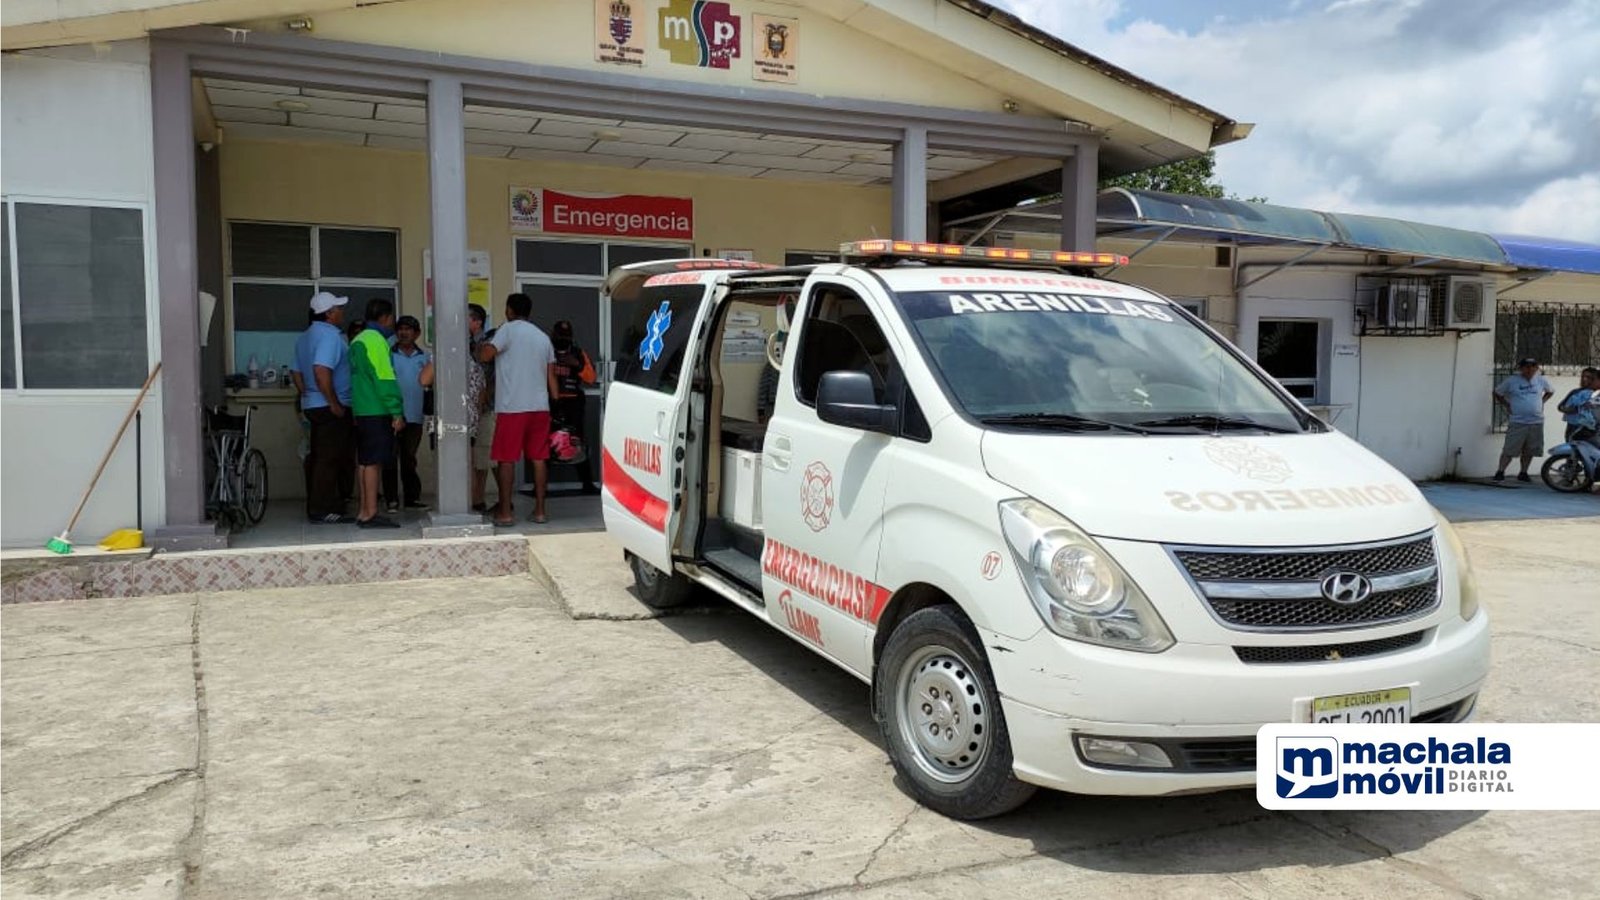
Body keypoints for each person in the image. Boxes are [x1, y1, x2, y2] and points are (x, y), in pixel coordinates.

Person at [479, 293, 559, 526]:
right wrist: (555, 403)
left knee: (506, 459)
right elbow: (551, 377)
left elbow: (486, 355)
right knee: (539, 458)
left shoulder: (507, 330)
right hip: (540, 407)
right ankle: (540, 511)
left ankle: (505, 513)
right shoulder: (543, 337)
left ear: (509, 310)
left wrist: (482, 343)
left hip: (512, 407)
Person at [293, 291, 356, 524]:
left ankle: (320, 504)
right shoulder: (329, 337)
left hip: (312, 405)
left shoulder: (305, 337)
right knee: (330, 459)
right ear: (329, 314)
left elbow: (296, 372)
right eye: (338, 308)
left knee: (318, 456)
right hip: (329, 407)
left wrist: (307, 394)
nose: (342, 312)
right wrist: (333, 403)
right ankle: (323, 509)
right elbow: (321, 370)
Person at [349, 298, 406, 528]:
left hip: (361, 409)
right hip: (377, 410)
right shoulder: (376, 341)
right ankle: (372, 512)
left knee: (364, 462)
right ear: (384, 317)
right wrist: (396, 411)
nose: (392, 323)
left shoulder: (357, 340)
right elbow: (384, 379)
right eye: (391, 318)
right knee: (373, 463)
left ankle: (364, 511)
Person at [383, 315, 432, 513]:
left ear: (417, 333)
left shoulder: (425, 357)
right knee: (390, 458)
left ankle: (412, 498)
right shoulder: (388, 354)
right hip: (392, 415)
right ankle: (391, 500)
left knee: (409, 459)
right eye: (400, 329)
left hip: (415, 415)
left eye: (408, 329)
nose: (404, 333)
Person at [550, 319, 598, 494]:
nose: (563, 338)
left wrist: (576, 365)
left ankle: (587, 484)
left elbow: (591, 378)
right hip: (552, 402)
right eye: (560, 335)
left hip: (573, 403)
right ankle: (540, 486)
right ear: (553, 335)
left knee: (577, 442)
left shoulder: (578, 352)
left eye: (566, 336)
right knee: (548, 442)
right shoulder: (547, 351)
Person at [1493, 357, 1554, 483]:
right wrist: (1507, 405)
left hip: (1536, 421)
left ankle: (1523, 472)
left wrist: (1542, 401)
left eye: (1533, 366)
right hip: (1518, 421)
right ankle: (1500, 471)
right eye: (1526, 367)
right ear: (1521, 368)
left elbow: (1550, 391)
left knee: (1530, 449)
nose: (1530, 369)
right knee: (1510, 448)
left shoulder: (1541, 380)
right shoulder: (1512, 381)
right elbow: (1497, 393)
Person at [468, 303, 497, 513]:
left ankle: (481, 499)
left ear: (477, 322)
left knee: (485, 455)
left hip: (484, 407)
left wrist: (484, 401)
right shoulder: (464, 342)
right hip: (468, 407)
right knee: (477, 456)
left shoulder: (486, 344)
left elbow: (489, 376)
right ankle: (476, 499)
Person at [1557, 367, 1599, 442]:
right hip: (1571, 425)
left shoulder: (1595, 394)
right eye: (1583, 376)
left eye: (1588, 377)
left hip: (1586, 428)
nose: (1584, 379)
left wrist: (1580, 408)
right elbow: (1560, 406)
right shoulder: (1575, 392)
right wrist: (1571, 409)